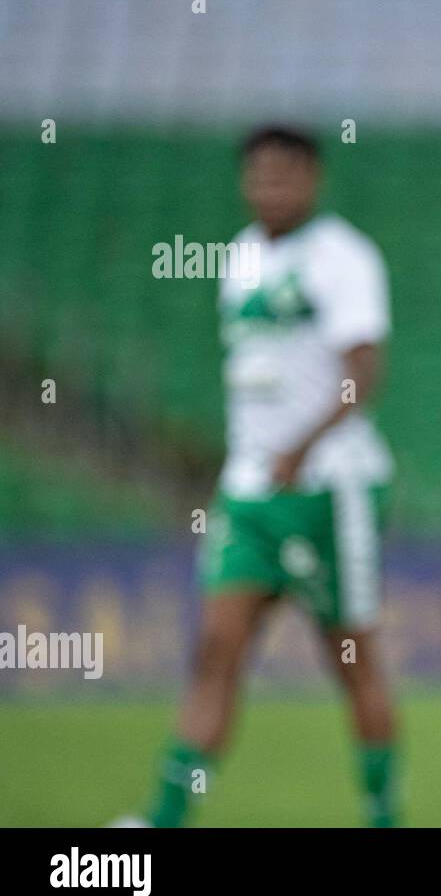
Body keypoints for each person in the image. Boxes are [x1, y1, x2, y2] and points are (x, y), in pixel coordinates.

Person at [144, 126, 399, 827]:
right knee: (215, 648)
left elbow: (363, 375)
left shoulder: (342, 258)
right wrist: (261, 458)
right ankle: (161, 822)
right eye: (258, 175)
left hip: (330, 489)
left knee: (352, 661)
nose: (269, 188)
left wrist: (300, 445)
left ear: (312, 179)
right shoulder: (238, 256)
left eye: (284, 175)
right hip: (251, 494)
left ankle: (383, 815)